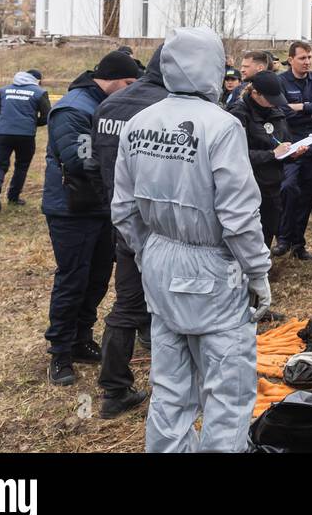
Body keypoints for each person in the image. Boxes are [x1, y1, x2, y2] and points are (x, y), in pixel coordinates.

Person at [112, 26, 271, 453]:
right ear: (211, 67)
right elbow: (238, 216)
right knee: (228, 389)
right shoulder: (222, 126)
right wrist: (258, 271)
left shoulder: (139, 123)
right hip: (212, 267)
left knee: (169, 387)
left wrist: (149, 253)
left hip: (159, 260)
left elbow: (123, 209)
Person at [42, 50, 139, 386]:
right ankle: (60, 352)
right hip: (72, 208)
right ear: (111, 78)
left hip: (102, 206)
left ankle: (82, 337)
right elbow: (78, 157)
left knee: (98, 277)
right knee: (73, 278)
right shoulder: (73, 108)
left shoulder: (106, 104)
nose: (130, 90)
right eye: (127, 83)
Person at [85, 45, 168, 419]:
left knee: (127, 305)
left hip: (123, 220)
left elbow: (91, 164)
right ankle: (177, 382)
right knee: (178, 304)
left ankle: (114, 389)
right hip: (168, 225)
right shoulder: (169, 106)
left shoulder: (109, 105)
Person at [229, 69, 309, 253]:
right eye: (270, 99)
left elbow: (283, 142)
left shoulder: (276, 111)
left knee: (269, 227)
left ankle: (261, 265)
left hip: (272, 183)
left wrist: (292, 153)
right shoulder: (238, 114)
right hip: (247, 185)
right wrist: (272, 154)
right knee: (247, 232)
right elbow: (234, 154)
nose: (274, 103)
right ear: (255, 93)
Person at [275, 41, 312, 261]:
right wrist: (308, 109)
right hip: (290, 147)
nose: (307, 62)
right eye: (302, 58)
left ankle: (298, 244)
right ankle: (283, 238)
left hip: (311, 146)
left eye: (309, 57)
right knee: (288, 190)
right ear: (290, 60)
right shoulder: (281, 82)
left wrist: (302, 107)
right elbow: (282, 111)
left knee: (307, 196)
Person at [0, 68, 51, 214]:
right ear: (37, 80)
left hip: (2, 133)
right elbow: (47, 116)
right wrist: (33, 122)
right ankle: (13, 197)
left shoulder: (3, 91)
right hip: (26, 135)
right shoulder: (39, 92)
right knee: (22, 166)